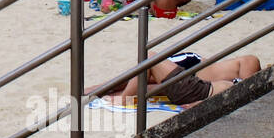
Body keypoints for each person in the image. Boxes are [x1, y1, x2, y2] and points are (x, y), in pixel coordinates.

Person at [92, 52, 262, 107]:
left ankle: (117, 97)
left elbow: (243, 90)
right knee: (145, 78)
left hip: (194, 79)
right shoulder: (249, 64)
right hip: (195, 76)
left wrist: (194, 104)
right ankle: (102, 90)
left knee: (148, 63)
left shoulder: (250, 63)